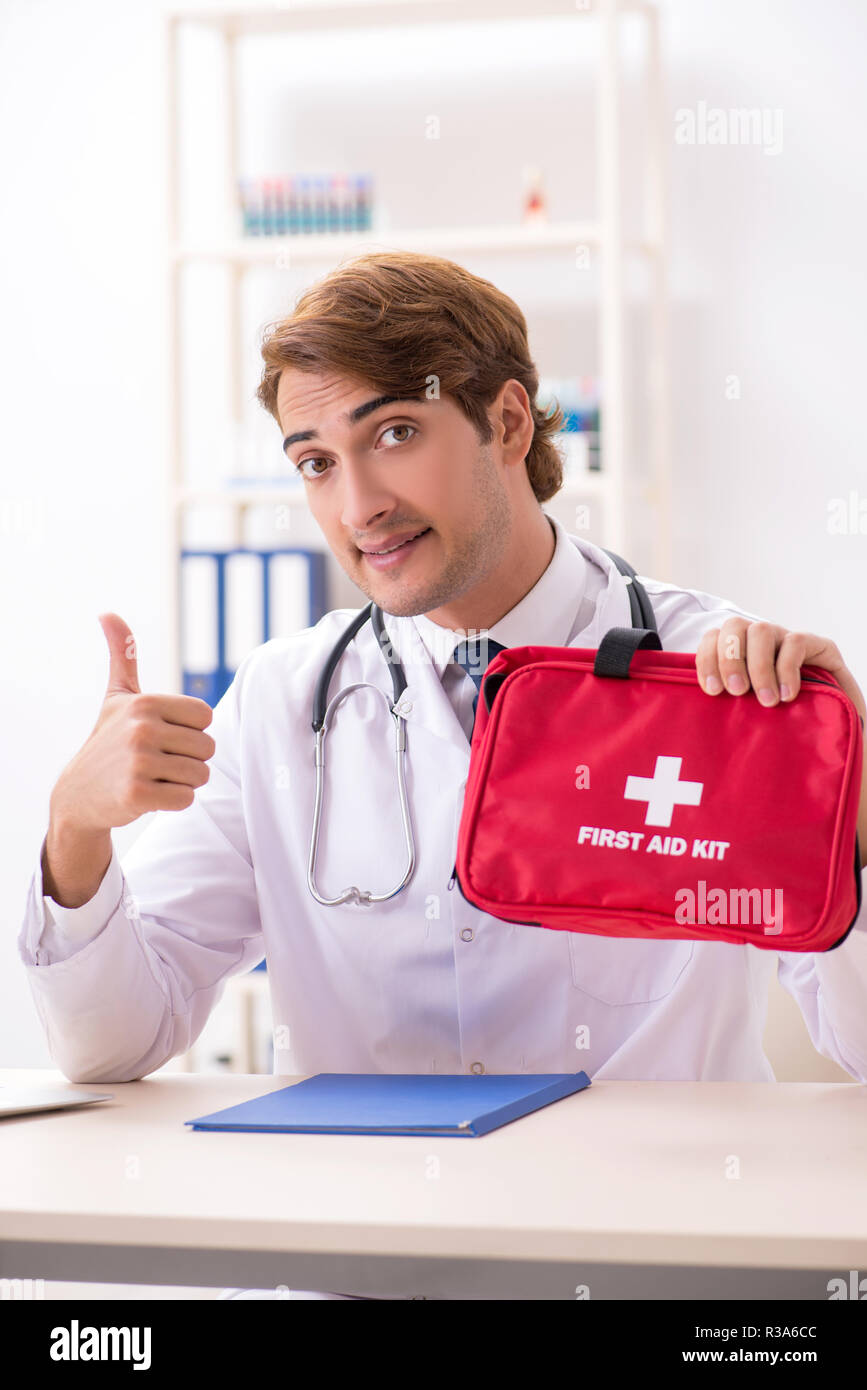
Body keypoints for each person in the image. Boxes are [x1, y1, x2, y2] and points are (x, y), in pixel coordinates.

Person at [19, 251, 867, 1301]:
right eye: (316, 462)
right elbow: (114, 1046)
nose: (358, 505)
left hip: (656, 1268)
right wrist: (76, 832)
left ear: (506, 422)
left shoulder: (717, 681)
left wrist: (845, 811)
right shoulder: (284, 699)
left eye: (393, 434)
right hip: (370, 1270)